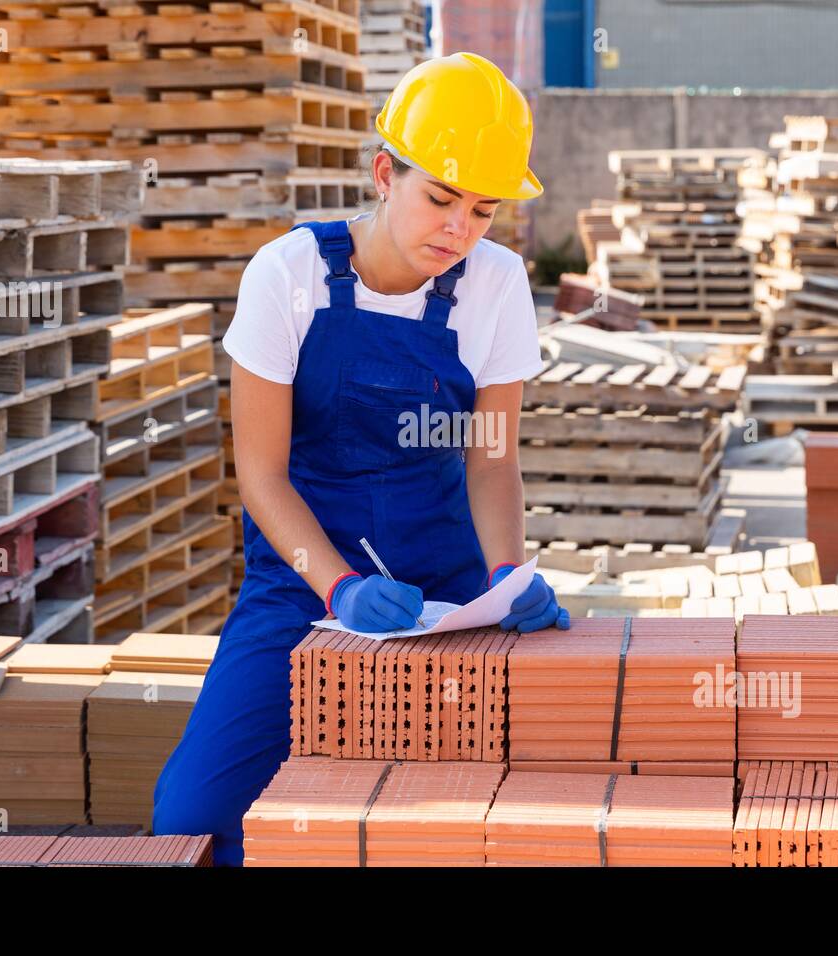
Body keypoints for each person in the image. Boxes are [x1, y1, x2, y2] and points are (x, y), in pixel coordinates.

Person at [151, 51, 569, 866]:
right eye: (441, 198)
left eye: (484, 211)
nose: (459, 230)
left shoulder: (497, 284)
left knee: (457, 820)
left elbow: (490, 460)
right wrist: (338, 586)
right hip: (304, 584)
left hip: (446, 590)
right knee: (193, 817)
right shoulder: (289, 276)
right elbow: (262, 474)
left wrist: (506, 576)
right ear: (385, 173)